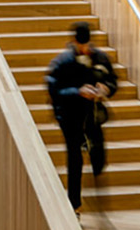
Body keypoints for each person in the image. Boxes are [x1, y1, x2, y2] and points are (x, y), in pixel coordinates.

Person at [45, 22, 117, 217]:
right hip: (69, 115)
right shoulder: (63, 62)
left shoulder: (100, 58)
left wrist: (105, 89)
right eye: (81, 45)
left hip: (92, 114)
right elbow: (54, 90)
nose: (84, 49)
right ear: (75, 41)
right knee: (75, 157)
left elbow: (113, 81)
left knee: (98, 153)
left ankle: (96, 170)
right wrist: (78, 91)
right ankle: (74, 204)